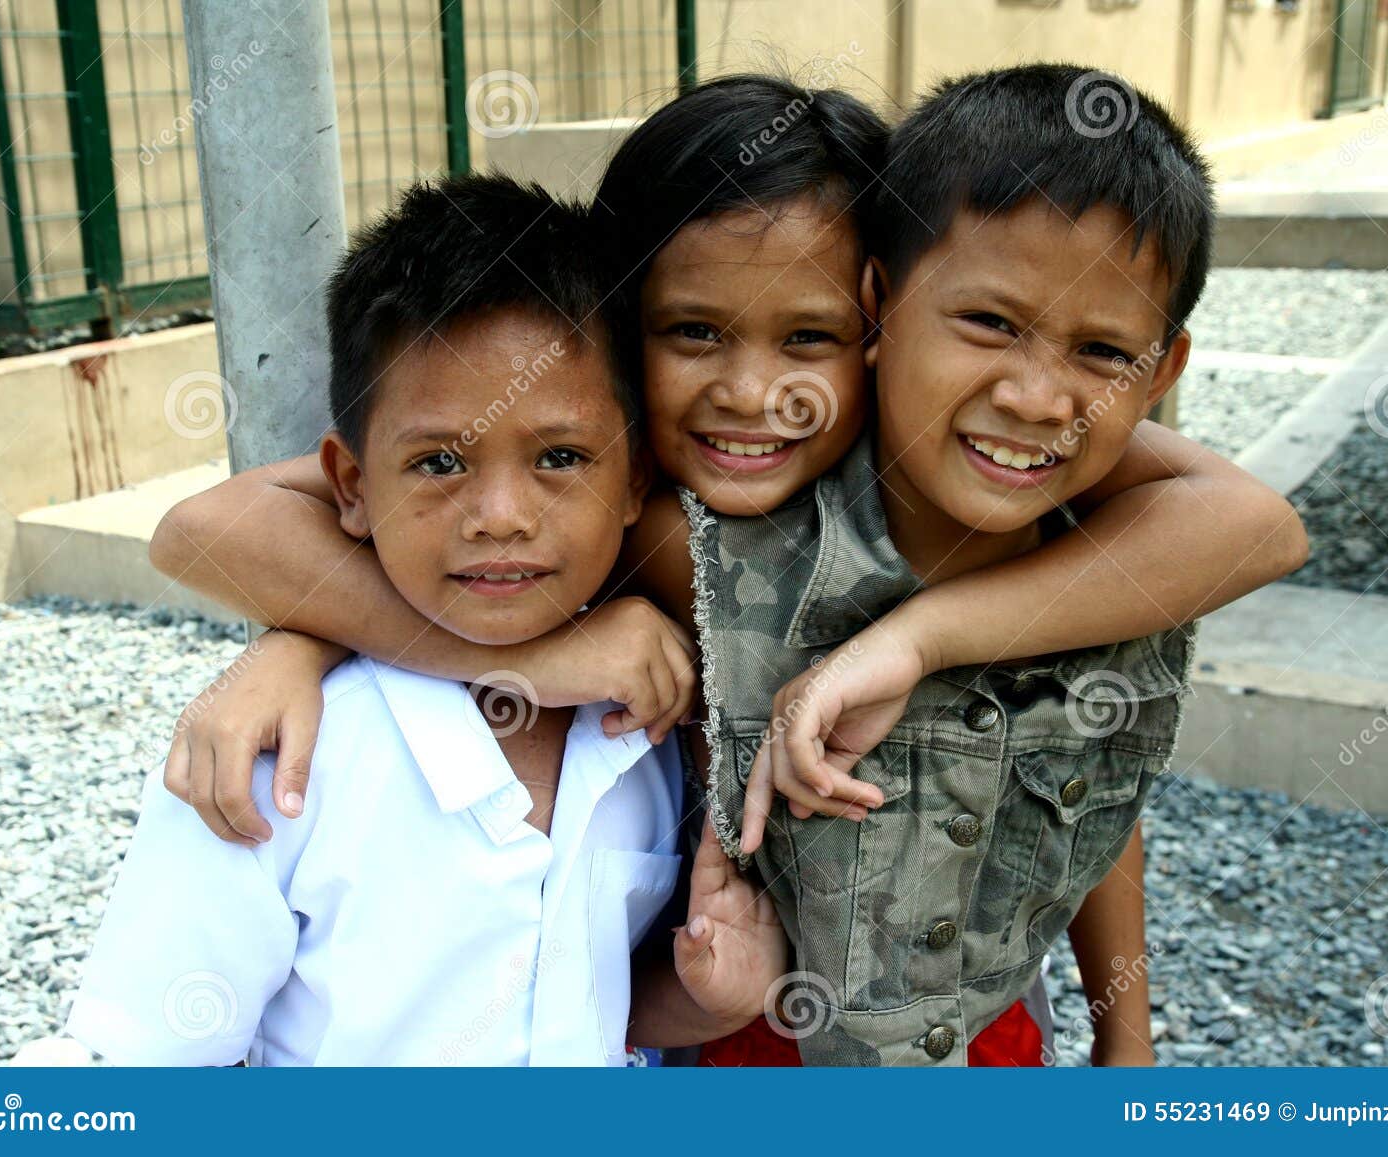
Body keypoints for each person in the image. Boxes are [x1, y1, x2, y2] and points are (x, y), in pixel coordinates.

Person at [146, 72, 1307, 1065]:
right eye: (691, 331)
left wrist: (1127, 1031)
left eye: (805, 338)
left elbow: (1104, 747)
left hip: (973, 1027)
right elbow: (240, 526)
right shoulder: (629, 523)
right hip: (715, 1023)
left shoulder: (998, 484)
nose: (753, 396)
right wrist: (311, 637)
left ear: (872, 322)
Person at [65, 175, 785, 1066]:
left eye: (561, 457)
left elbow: (583, 1011)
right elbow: (128, 1068)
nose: (500, 514)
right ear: (351, 486)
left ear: (637, 480)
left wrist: (708, 1003)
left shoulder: (647, 733)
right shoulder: (284, 757)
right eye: (440, 460)